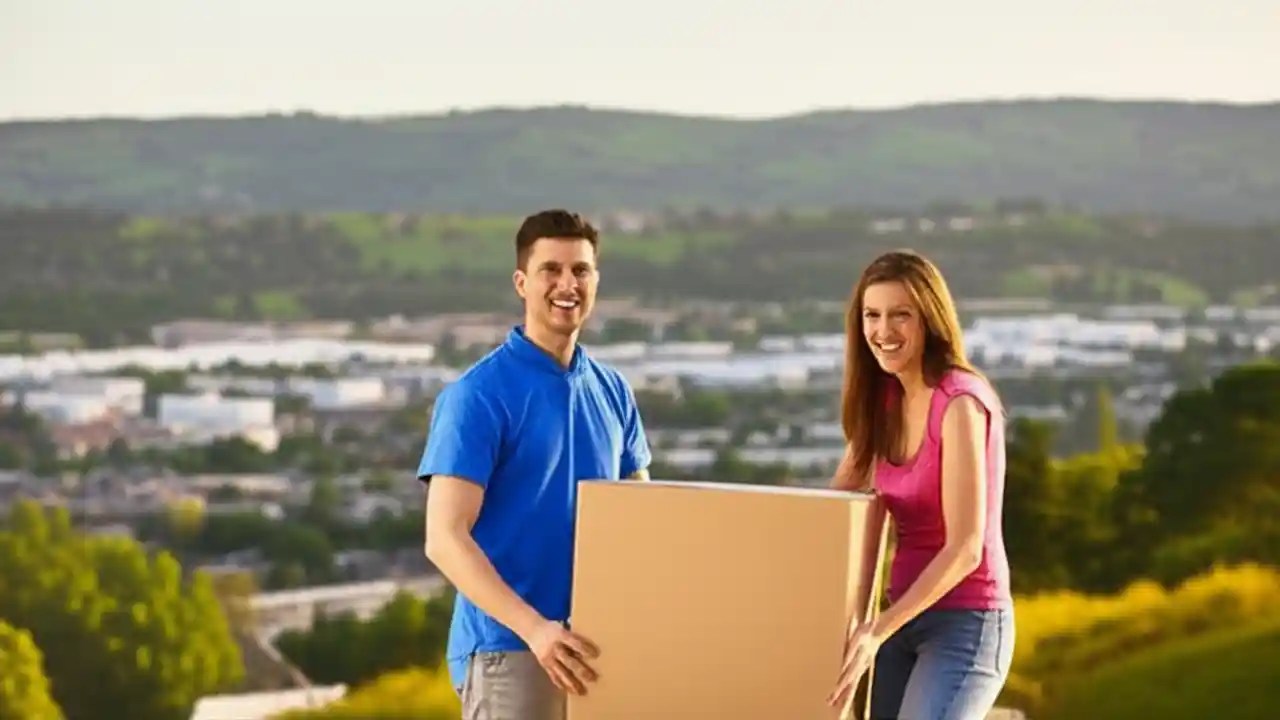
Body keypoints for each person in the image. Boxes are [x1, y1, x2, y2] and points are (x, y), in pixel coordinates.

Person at [419, 209, 652, 720]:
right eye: (551, 270)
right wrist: (536, 629)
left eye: (581, 271)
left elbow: (643, 516)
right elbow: (444, 538)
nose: (567, 284)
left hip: (600, 647)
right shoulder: (477, 395)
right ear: (522, 283)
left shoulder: (612, 390)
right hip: (513, 649)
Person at [826, 250, 1014, 720]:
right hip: (900, 623)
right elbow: (834, 507)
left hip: (966, 624)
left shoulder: (959, 403)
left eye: (900, 315)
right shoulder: (882, 402)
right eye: (873, 315)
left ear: (928, 319)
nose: (883, 331)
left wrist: (877, 629)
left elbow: (966, 547)